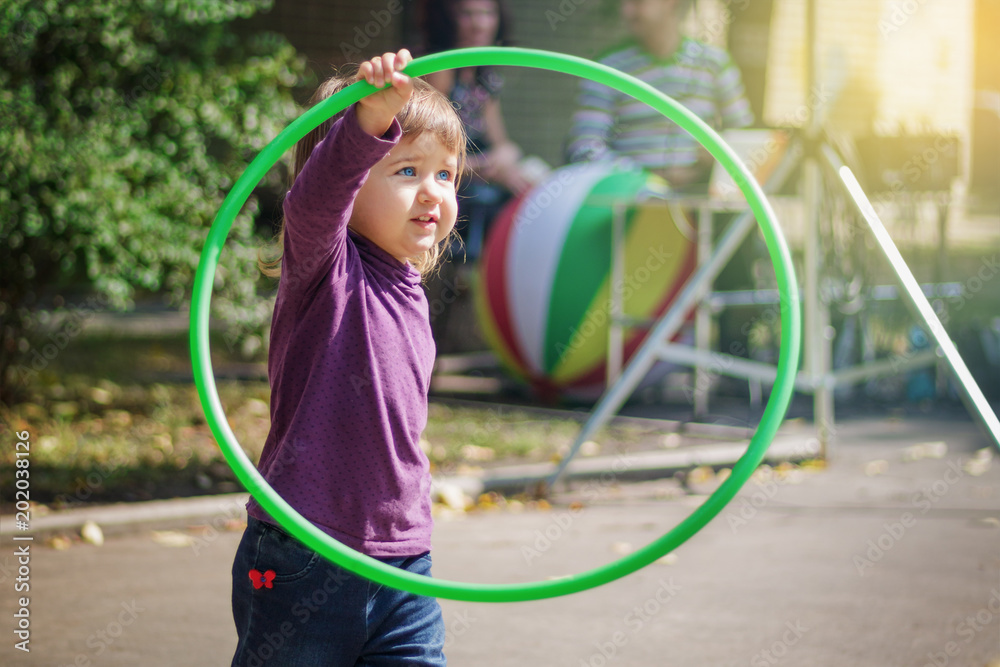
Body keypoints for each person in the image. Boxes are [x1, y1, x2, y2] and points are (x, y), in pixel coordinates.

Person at [231, 49, 463, 666]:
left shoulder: (408, 289)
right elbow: (313, 204)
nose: (433, 193)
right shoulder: (324, 269)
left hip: (405, 561)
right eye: (407, 169)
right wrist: (365, 126)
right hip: (306, 552)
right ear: (352, 179)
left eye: (447, 175)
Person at [566, 0, 754, 190]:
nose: (626, 11)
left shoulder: (715, 63)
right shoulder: (606, 69)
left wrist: (718, 158)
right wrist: (645, 180)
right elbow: (584, 148)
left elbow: (747, 142)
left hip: (701, 203)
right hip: (631, 204)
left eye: (637, 2)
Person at [422, 0, 537, 260]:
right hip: (451, 177)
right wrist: (486, 166)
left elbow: (501, 142)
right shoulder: (442, 70)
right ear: (451, 19)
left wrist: (507, 155)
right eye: (468, 14)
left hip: (480, 170)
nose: (479, 24)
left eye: (487, 14)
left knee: (535, 183)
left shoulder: (485, 75)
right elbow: (427, 153)